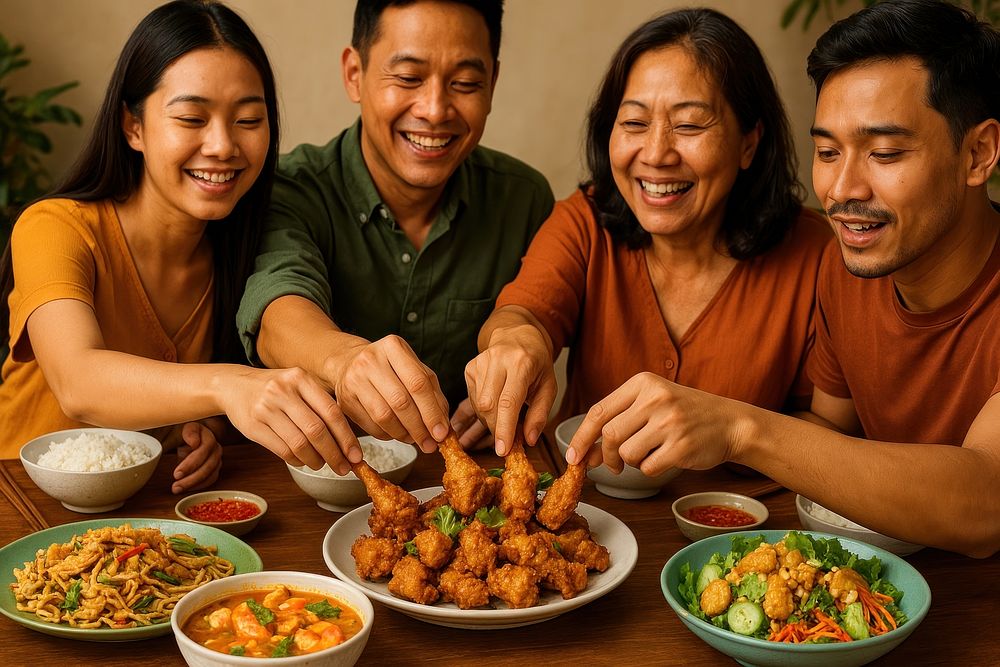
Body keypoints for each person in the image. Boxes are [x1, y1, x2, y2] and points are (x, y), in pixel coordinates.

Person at [565, 0, 1000, 558]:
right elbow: (827, 435)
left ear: (978, 153)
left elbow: (987, 500)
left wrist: (739, 428)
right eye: (826, 151)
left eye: (885, 153)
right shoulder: (852, 268)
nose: (844, 189)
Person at [0, 0, 360, 491]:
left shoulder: (242, 248)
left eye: (248, 121)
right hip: (21, 510)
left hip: (149, 529)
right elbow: (77, 381)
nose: (222, 146)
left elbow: (183, 403)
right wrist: (228, 386)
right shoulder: (54, 226)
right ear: (133, 127)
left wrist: (203, 431)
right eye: (192, 119)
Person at [465, 8, 831, 456]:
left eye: (690, 125)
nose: (656, 154)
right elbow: (522, 315)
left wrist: (734, 434)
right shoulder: (586, 220)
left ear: (749, 143)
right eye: (635, 123)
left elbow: (832, 432)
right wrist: (514, 342)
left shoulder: (816, 254)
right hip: (590, 514)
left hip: (748, 523)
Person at [236, 0, 554, 455]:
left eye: (465, 83)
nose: (435, 109)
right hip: (323, 477)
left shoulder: (523, 198)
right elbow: (276, 310)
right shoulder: (290, 188)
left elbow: (535, 316)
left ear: (493, 84)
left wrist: (510, 391)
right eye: (408, 78)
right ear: (354, 73)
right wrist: (344, 360)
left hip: (480, 475)